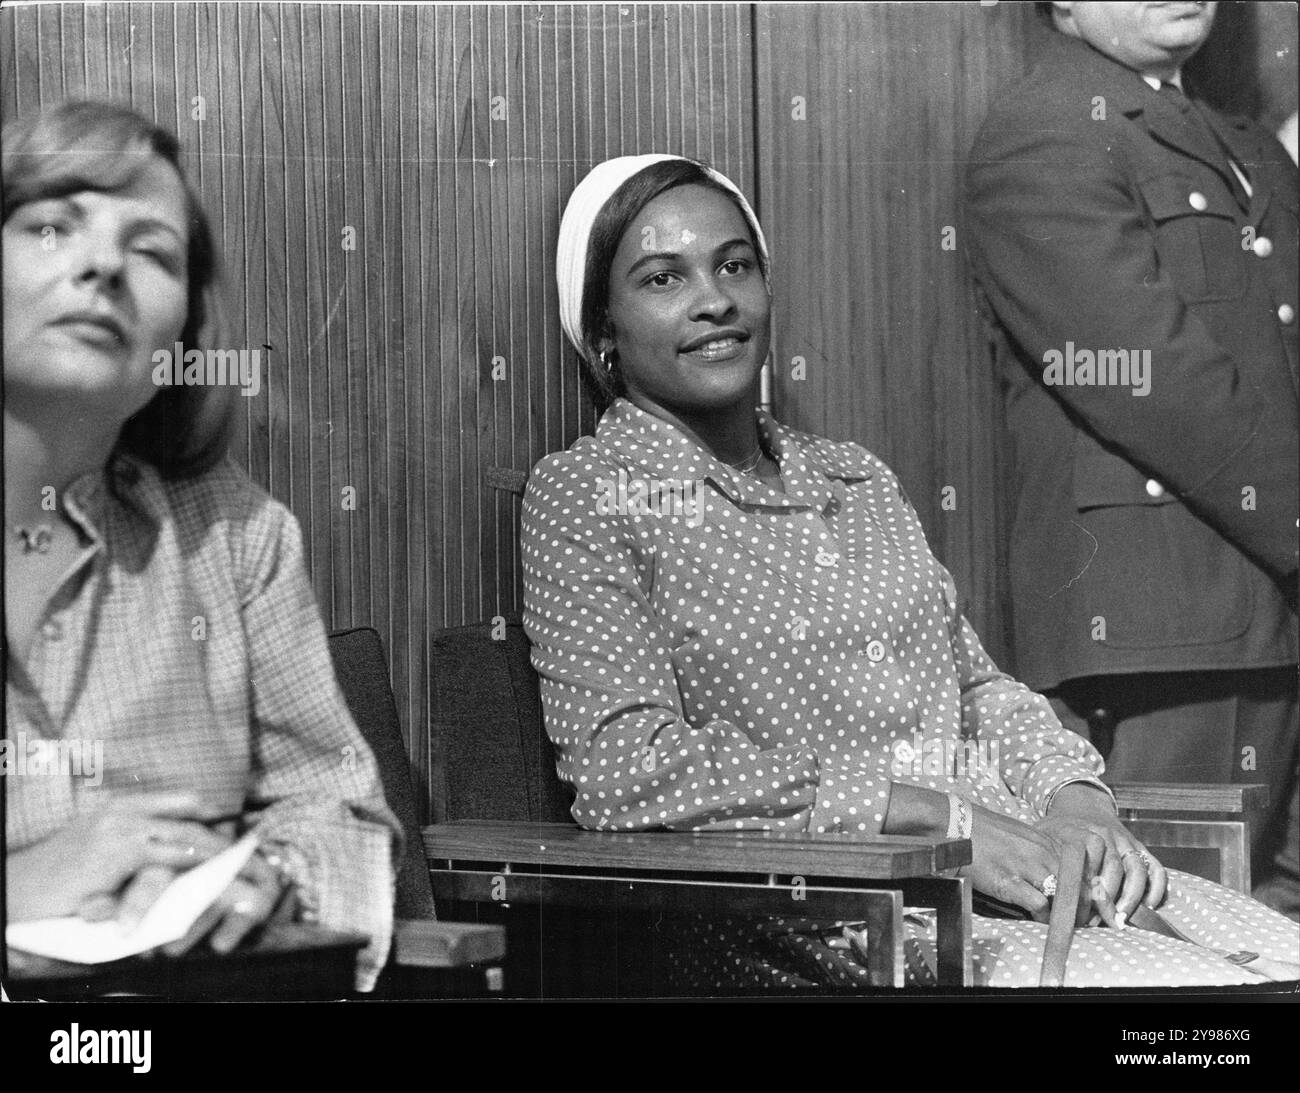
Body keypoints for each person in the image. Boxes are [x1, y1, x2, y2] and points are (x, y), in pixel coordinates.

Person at [521, 153, 1300, 989]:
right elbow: (627, 774)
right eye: (662, 278)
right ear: (602, 332)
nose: (715, 298)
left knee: (1276, 958)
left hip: (1009, 874)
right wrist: (948, 824)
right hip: (825, 916)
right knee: (1206, 1023)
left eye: (735, 265)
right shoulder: (590, 494)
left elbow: (978, 690)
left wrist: (1077, 800)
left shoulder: (854, 476)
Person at [3, 100, 399, 991]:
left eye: (152, 250)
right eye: (52, 225)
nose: (104, 264)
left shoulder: (238, 534)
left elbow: (336, 802)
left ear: (182, 329)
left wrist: (270, 882)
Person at [965, 2, 1299, 917]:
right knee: (1161, 942)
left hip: (1268, 616)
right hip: (1161, 633)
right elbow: (1161, 381)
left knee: (1271, 946)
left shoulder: (1245, 147)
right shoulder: (1047, 129)